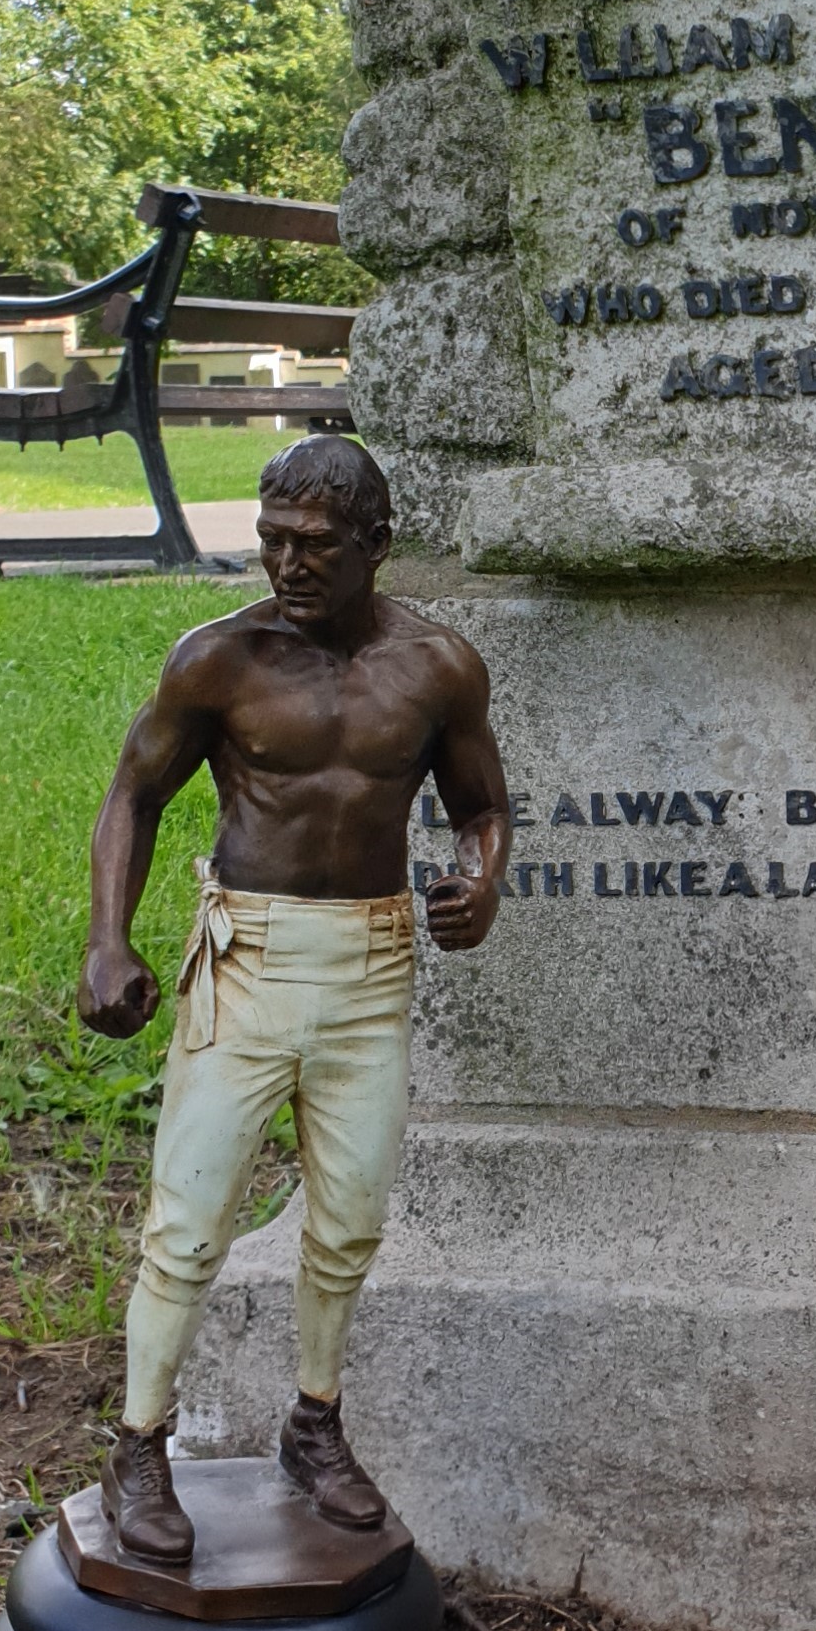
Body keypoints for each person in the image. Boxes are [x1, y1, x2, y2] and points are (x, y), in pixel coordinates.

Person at [77, 436, 510, 1564]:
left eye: (314, 544)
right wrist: (107, 938)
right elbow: (134, 790)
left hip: (372, 965)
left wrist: (482, 878)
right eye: (271, 539)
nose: (285, 563)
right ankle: (138, 1444)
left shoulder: (438, 667)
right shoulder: (219, 661)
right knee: (188, 1222)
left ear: (376, 544)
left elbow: (482, 805)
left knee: (350, 1221)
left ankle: (314, 1422)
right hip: (250, 961)